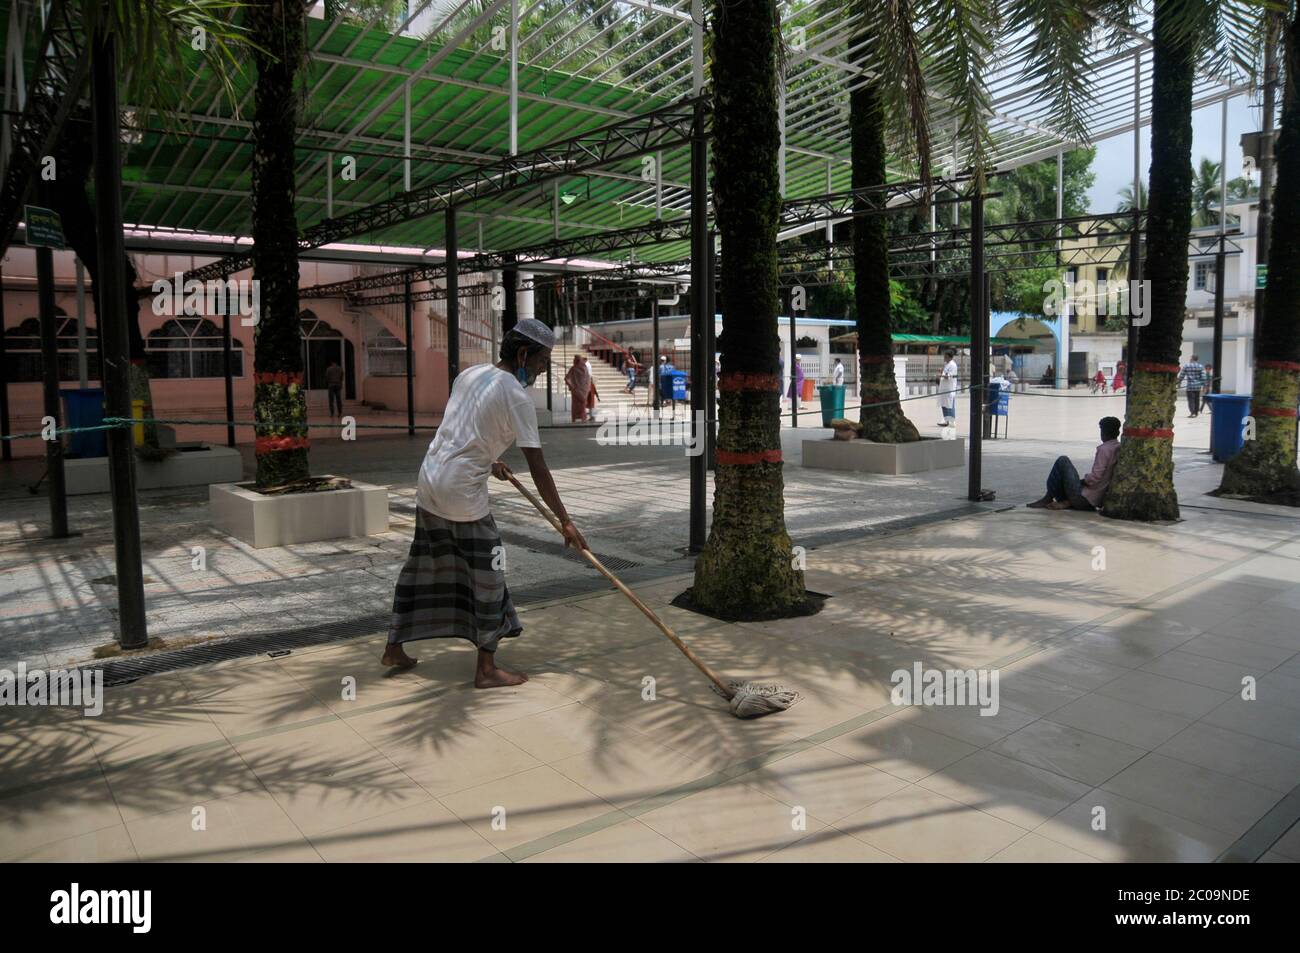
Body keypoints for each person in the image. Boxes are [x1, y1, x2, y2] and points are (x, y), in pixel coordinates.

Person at [383, 319, 587, 686]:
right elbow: (538, 467)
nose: (541, 372)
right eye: (542, 362)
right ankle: (487, 670)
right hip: (461, 495)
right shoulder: (517, 397)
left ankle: (394, 646)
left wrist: (490, 460)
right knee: (489, 577)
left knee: (423, 566)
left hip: (429, 483)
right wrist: (565, 521)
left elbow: (463, 430)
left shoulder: (471, 374)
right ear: (524, 354)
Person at [1027, 416, 1122, 512]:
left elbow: (1094, 478)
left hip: (1084, 498)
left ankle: (1048, 497)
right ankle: (1064, 501)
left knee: (1063, 460)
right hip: (1096, 500)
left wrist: (1081, 482)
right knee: (1066, 475)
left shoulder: (1104, 449)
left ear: (1103, 432)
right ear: (1118, 432)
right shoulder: (1118, 447)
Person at [564, 354, 590, 423]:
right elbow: (588, 380)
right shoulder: (584, 368)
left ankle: (576, 418)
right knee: (581, 404)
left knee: (577, 405)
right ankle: (582, 418)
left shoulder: (574, 368)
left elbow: (566, 379)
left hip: (577, 390)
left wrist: (571, 387)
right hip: (582, 390)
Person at [936, 349, 959, 428]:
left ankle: (952, 421)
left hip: (949, 389)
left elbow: (948, 376)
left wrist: (940, 375)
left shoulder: (953, 365)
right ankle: (946, 420)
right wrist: (941, 371)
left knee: (950, 405)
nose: (944, 357)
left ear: (949, 357)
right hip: (944, 388)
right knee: (944, 404)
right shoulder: (947, 364)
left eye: (945, 356)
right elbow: (945, 372)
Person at [584, 356, 599, 421]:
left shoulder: (586, 365)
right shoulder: (588, 364)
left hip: (587, 383)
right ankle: (591, 415)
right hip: (589, 382)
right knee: (590, 401)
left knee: (589, 401)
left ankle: (589, 415)